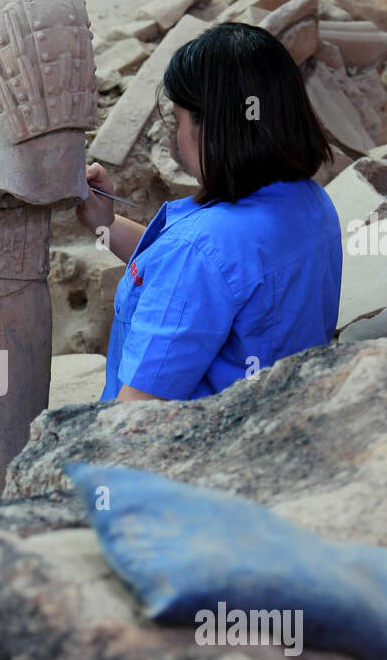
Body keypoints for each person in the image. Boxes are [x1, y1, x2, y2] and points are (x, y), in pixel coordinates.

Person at [76, 22, 342, 403]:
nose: (176, 136)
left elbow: (132, 419)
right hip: (272, 428)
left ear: (211, 131)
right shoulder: (311, 201)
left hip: (179, 454)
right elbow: (217, 272)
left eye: (178, 120)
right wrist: (107, 224)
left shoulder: (198, 250)